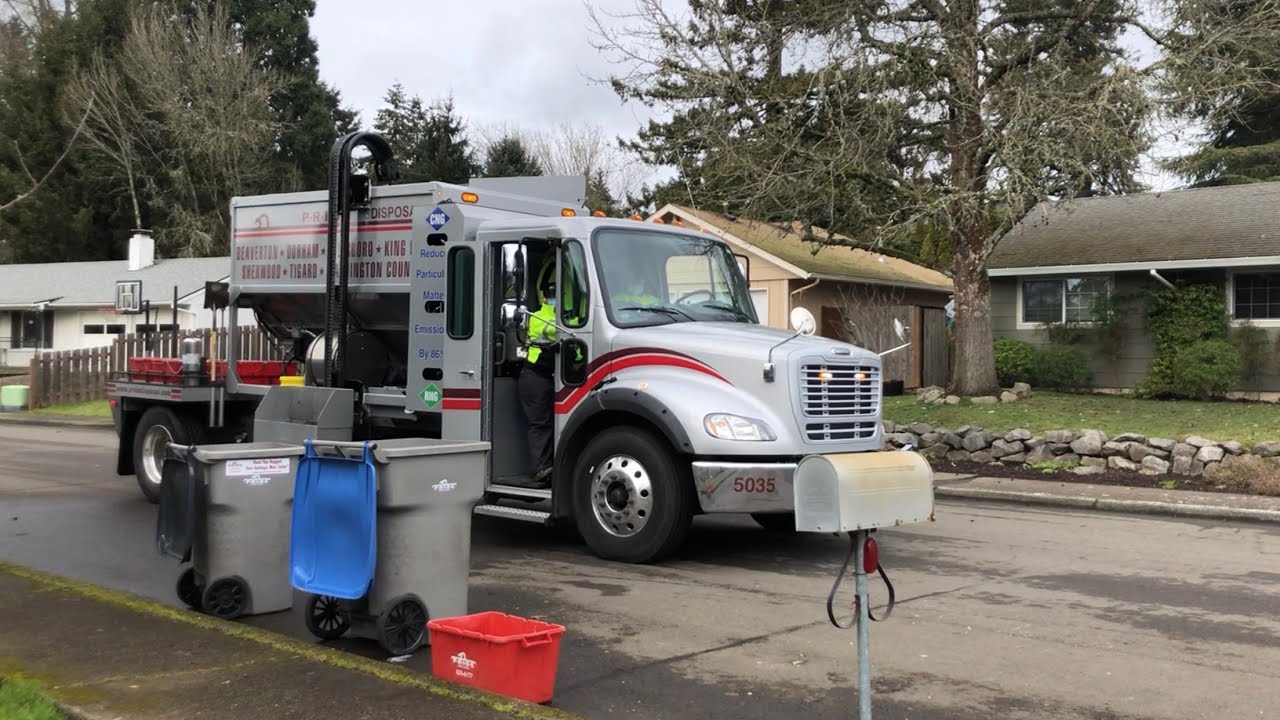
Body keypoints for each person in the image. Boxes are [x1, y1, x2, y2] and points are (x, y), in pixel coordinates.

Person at [517, 258, 558, 487]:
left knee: (548, 423)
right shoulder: (539, 316)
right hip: (536, 377)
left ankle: (550, 466)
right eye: (550, 293)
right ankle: (542, 469)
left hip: (548, 376)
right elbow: (553, 329)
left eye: (555, 293)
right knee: (540, 423)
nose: (552, 297)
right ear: (543, 297)